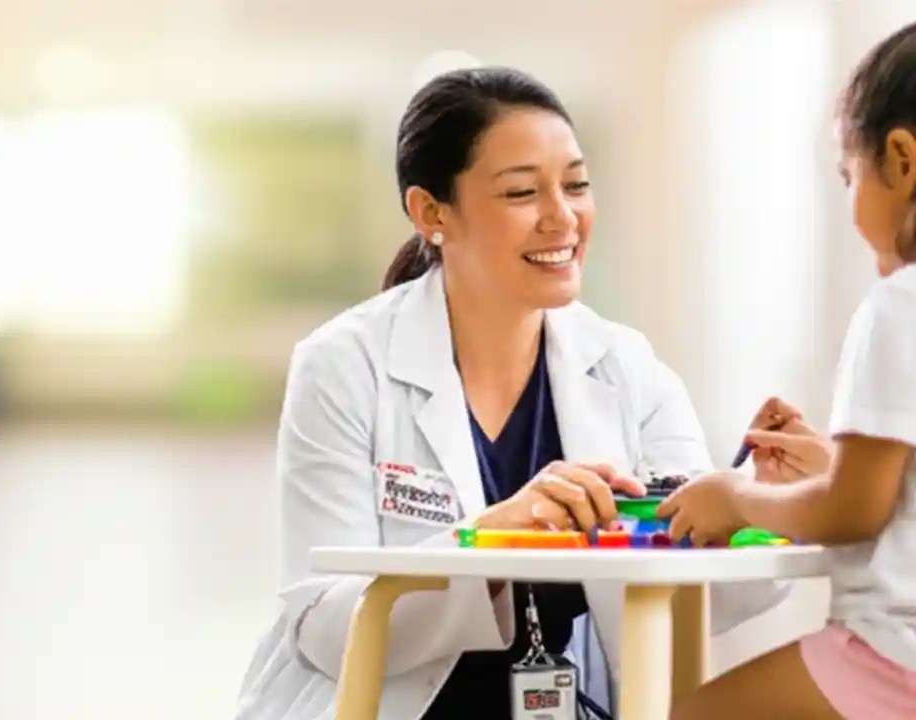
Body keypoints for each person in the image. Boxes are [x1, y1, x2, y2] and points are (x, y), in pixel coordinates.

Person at [235, 67, 785, 720]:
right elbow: (326, 629)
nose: (563, 217)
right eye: (522, 192)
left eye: (576, 185)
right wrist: (486, 541)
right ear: (432, 212)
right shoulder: (345, 366)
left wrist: (767, 503)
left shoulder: (627, 368)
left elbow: (699, 601)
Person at [663, 23, 916, 720]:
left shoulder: (899, 305)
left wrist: (736, 497)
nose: (848, 197)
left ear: (902, 161)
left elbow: (852, 512)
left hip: (893, 656)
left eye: (848, 176)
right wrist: (835, 464)